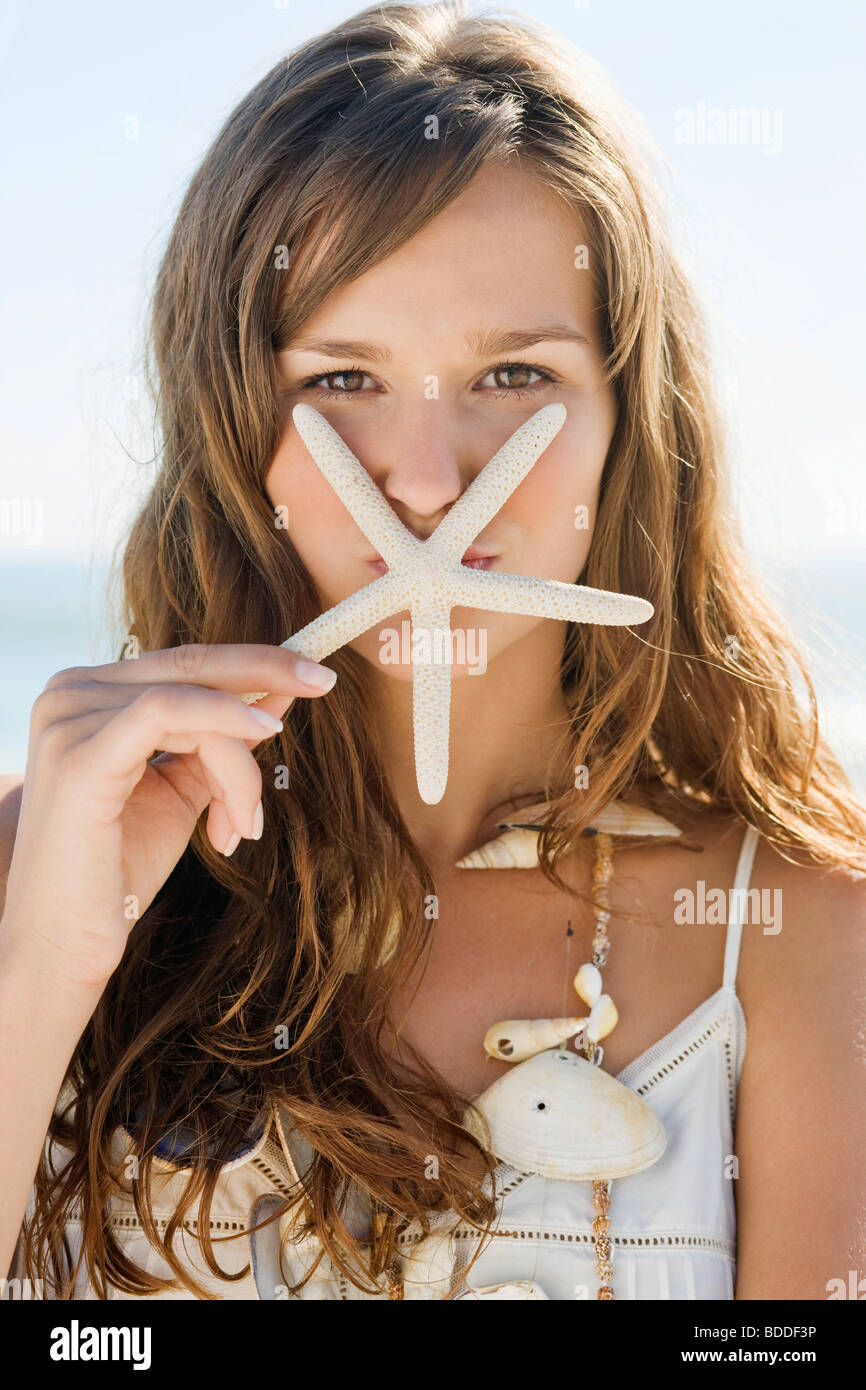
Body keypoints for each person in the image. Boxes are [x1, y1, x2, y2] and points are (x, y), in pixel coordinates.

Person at [1, 0, 864, 1302]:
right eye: (341, 379)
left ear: (632, 419)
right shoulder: (35, 869)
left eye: (512, 375)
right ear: (233, 428)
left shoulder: (801, 932)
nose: (419, 480)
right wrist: (49, 966)